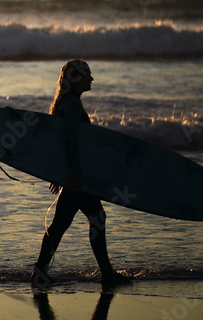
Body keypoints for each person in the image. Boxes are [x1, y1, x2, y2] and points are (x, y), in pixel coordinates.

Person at [31, 59, 131, 290]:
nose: (92, 79)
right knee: (95, 218)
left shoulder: (65, 102)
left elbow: (59, 143)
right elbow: (71, 141)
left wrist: (59, 173)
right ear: (77, 79)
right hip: (78, 177)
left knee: (62, 224)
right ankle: (106, 274)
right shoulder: (73, 104)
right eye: (88, 75)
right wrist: (74, 173)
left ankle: (40, 273)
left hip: (73, 176)